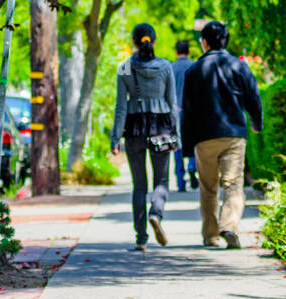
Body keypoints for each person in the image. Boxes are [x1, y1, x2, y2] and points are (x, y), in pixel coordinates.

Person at [179, 20, 262, 249]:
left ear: (204, 43)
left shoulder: (193, 70)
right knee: (233, 183)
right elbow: (253, 97)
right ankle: (230, 226)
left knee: (208, 187)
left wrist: (187, 147)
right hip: (233, 134)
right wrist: (257, 122)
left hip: (204, 136)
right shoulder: (238, 66)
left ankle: (211, 235)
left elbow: (188, 111)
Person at [110, 23, 179, 251]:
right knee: (161, 181)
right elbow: (171, 104)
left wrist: (115, 139)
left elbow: (121, 107)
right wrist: (176, 134)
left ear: (134, 42)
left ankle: (141, 238)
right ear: (154, 41)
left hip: (135, 128)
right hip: (161, 127)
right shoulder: (166, 67)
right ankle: (156, 214)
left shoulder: (125, 68)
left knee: (139, 185)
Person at [170, 40, 199, 193]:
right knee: (193, 142)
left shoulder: (171, 68)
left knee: (177, 145)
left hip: (175, 111)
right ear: (188, 51)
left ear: (176, 51)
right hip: (192, 111)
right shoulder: (194, 66)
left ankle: (181, 182)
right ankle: (192, 166)